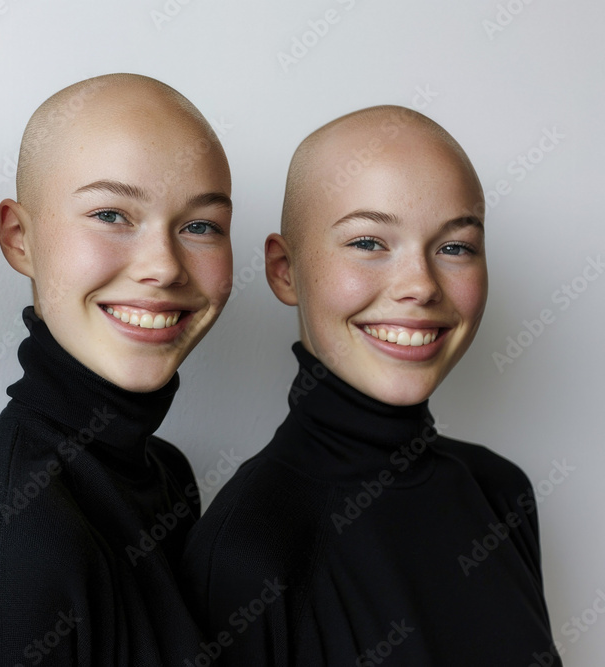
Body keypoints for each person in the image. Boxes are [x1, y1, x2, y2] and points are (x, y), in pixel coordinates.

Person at [180, 105, 559, 666]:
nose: (420, 286)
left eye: (454, 247)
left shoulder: (501, 492)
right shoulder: (247, 546)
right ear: (285, 270)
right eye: (368, 243)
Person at [0, 73, 233, 666]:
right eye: (112, 214)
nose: (164, 267)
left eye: (200, 226)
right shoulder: (19, 542)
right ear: (19, 238)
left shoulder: (165, 473)